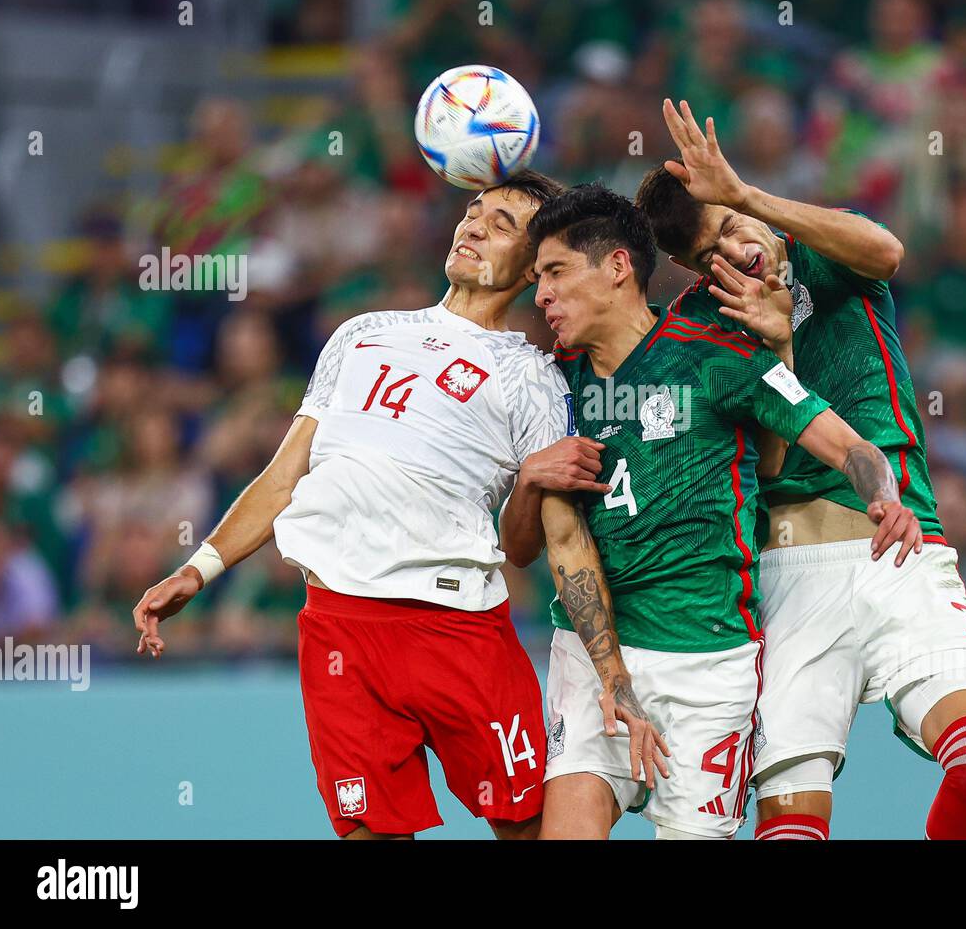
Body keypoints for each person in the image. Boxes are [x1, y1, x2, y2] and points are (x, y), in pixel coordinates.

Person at [132, 171, 665, 839]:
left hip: (459, 630)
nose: (474, 226)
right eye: (473, 211)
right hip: (339, 628)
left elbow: (559, 539)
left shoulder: (530, 375)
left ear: (535, 268)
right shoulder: (361, 333)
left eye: (502, 224)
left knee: (530, 828)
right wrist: (199, 568)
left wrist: (611, 671)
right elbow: (285, 474)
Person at [634, 100, 966, 840]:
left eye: (735, 224)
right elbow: (769, 460)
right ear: (689, 268)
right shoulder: (697, 327)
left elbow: (887, 252)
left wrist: (746, 197)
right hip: (786, 582)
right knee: (791, 828)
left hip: (898, 545)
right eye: (712, 251)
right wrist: (775, 347)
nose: (738, 250)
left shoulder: (819, 248)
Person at [528, 184, 922, 839]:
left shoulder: (721, 356)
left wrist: (884, 495)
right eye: (538, 278)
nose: (541, 294)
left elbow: (849, 446)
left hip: (709, 663)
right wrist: (614, 678)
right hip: (595, 653)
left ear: (618, 267)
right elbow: (563, 541)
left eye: (555, 272)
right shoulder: (553, 385)